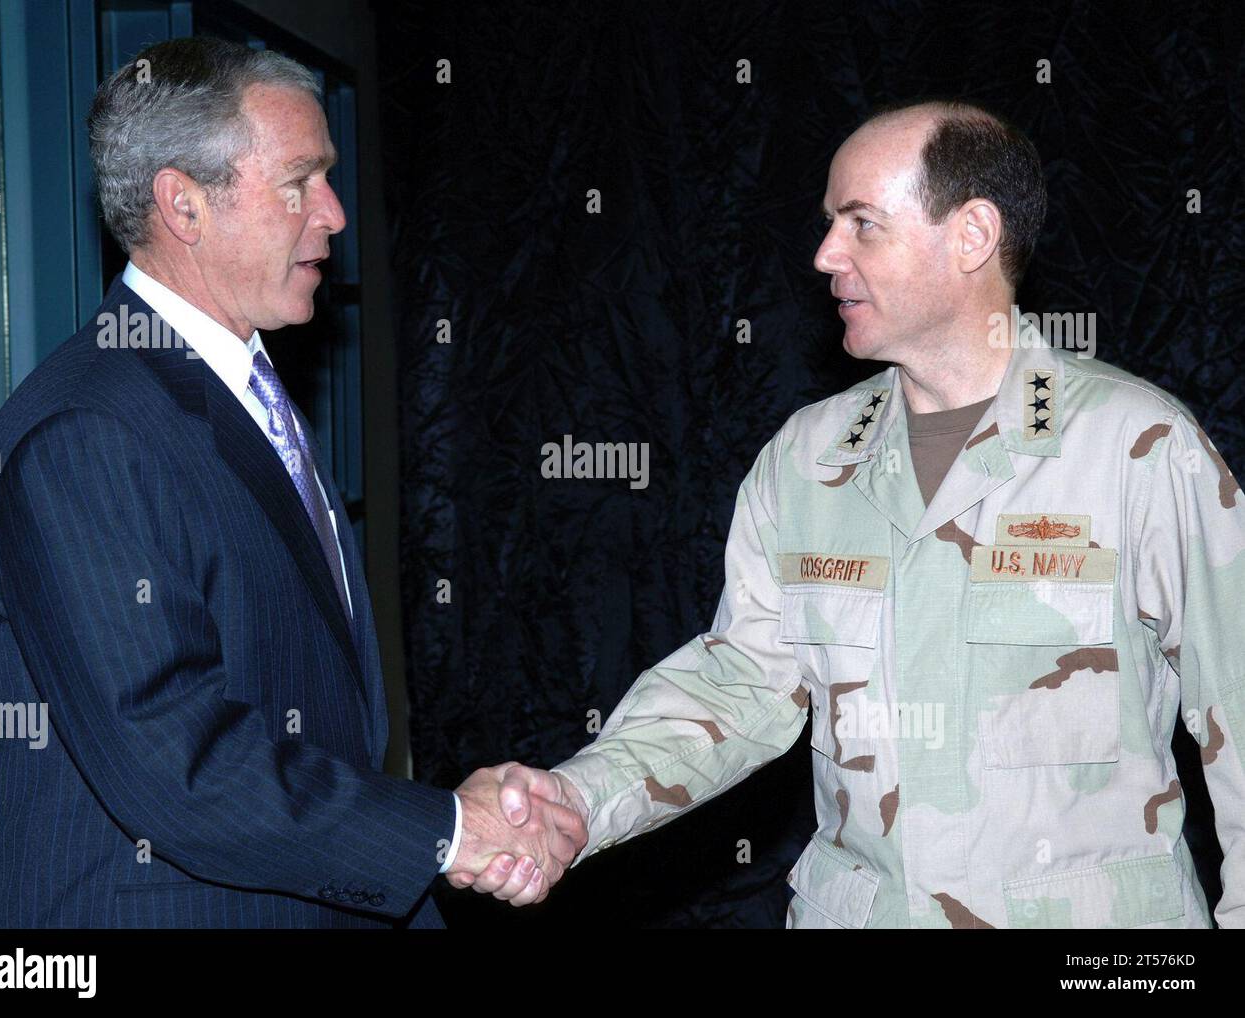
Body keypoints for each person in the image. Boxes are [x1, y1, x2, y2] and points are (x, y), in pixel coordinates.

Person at [477, 99, 1245, 928]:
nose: (825, 254)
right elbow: (742, 684)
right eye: (828, 222)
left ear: (972, 235)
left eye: (861, 223)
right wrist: (582, 799)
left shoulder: (1137, 447)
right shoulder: (809, 457)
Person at [0, 36, 582, 928]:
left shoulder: (233, 380)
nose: (332, 211)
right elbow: (178, 763)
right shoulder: (87, 431)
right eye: (299, 181)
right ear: (184, 205)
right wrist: (447, 831)